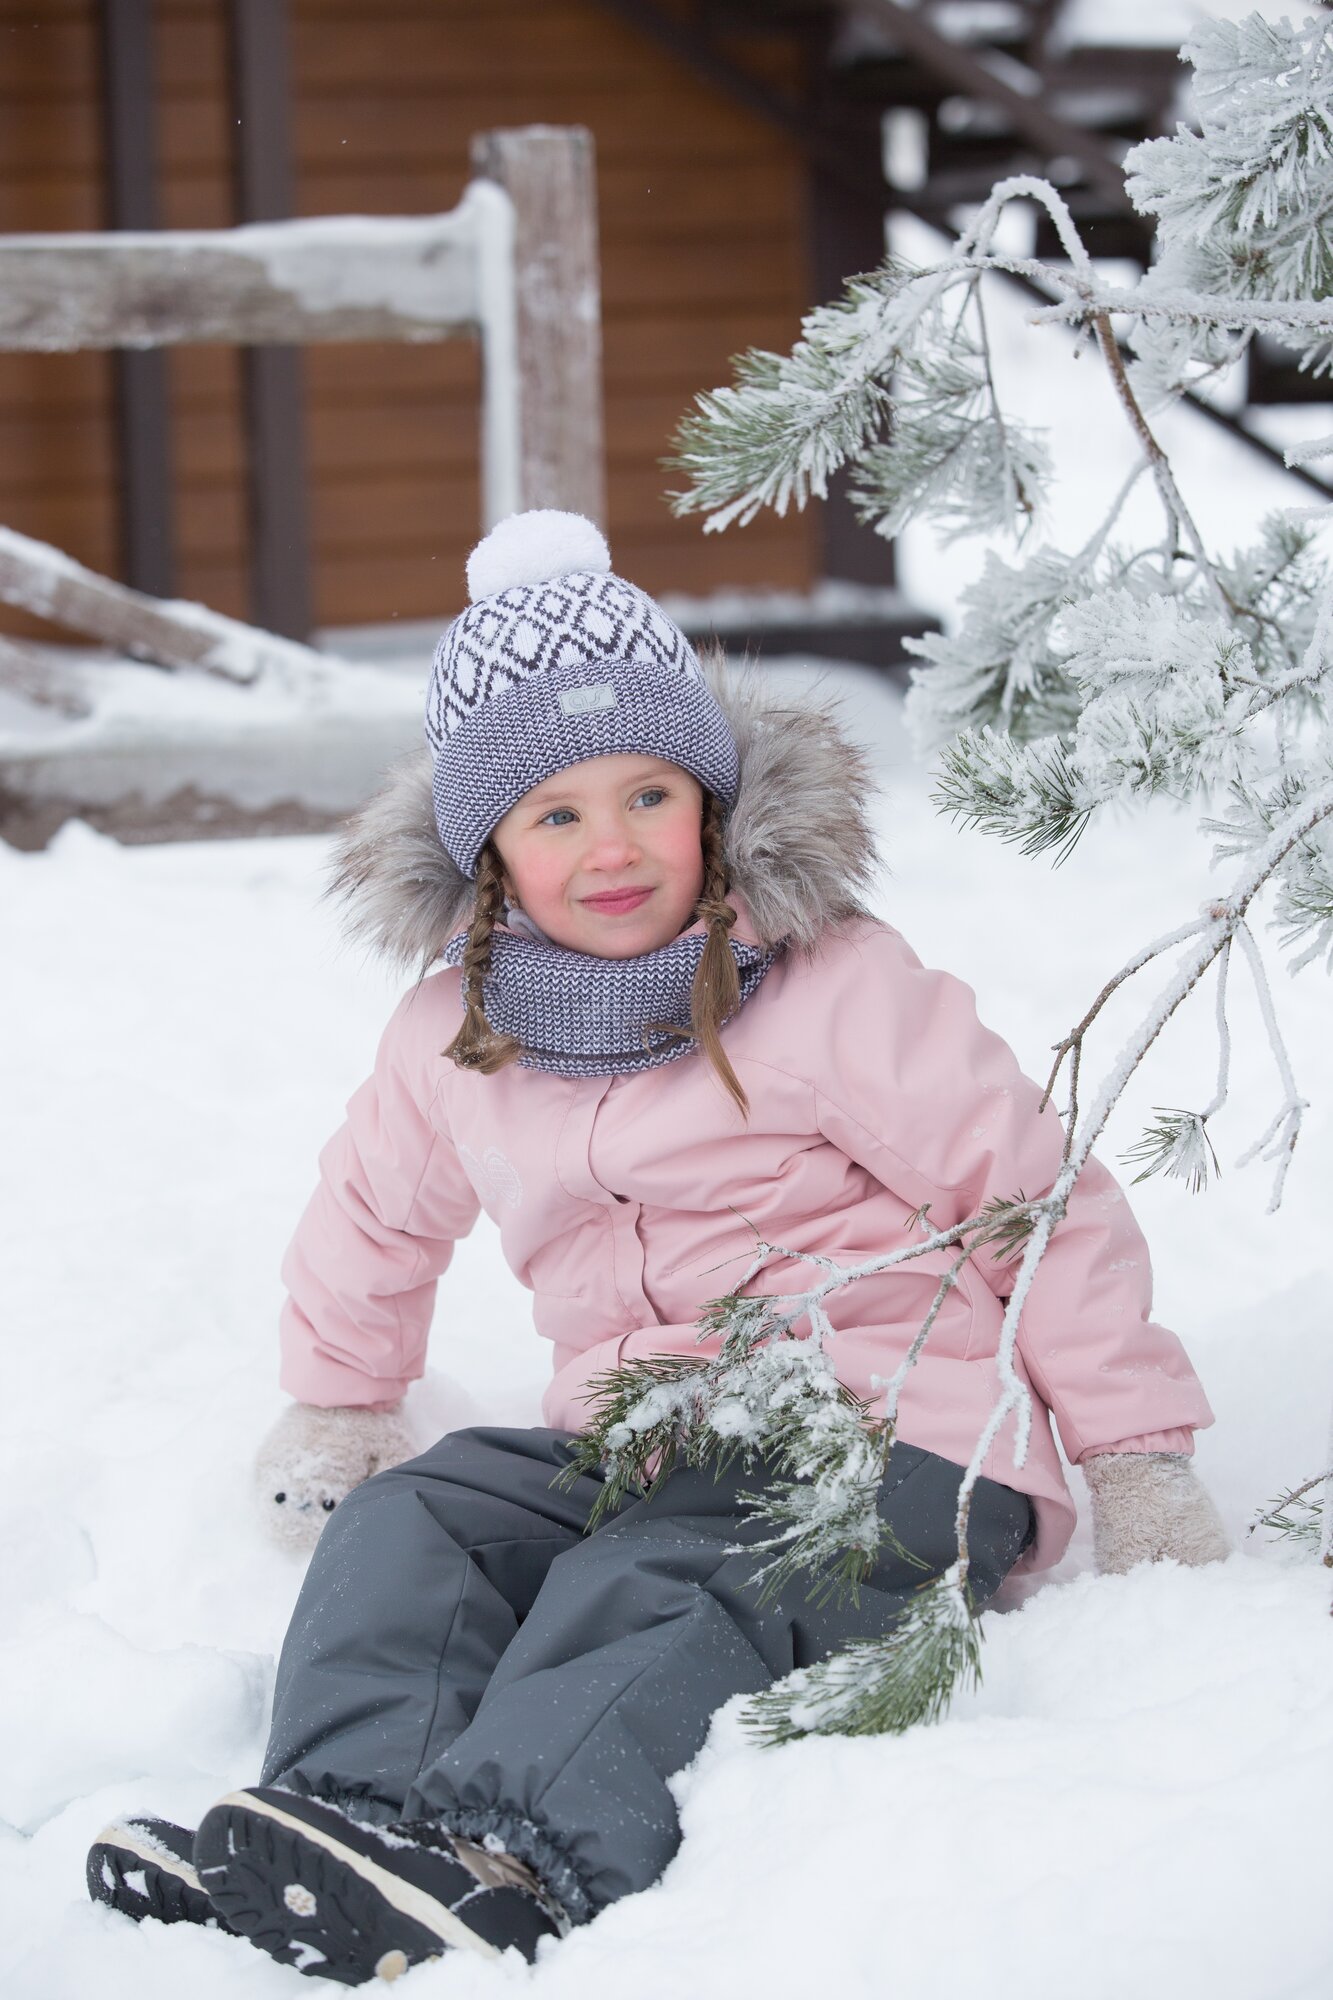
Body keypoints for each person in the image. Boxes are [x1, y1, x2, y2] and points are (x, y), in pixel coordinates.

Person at [86, 511, 1228, 1982]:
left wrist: (1134, 1450)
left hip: (889, 1442)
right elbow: (372, 1208)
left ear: (711, 801)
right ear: (484, 849)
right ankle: (336, 1822)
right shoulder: (455, 1033)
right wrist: (343, 1391)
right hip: (639, 1437)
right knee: (420, 1524)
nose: (610, 846)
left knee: (672, 1579)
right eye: (554, 815)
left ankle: (506, 1860)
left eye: (646, 795)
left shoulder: (828, 988)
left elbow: (1031, 1197)